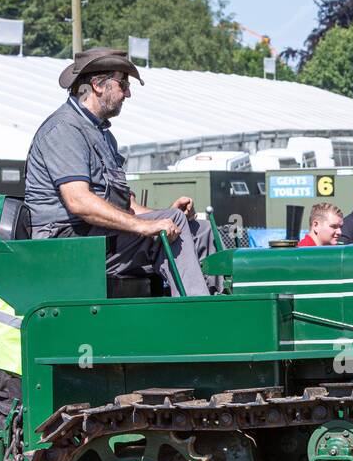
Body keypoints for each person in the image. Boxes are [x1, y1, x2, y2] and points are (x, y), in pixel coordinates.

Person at [24, 46, 212, 299]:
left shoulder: (102, 135)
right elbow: (78, 201)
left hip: (96, 240)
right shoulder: (64, 129)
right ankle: (200, 317)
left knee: (198, 228)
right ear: (98, 85)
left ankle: (218, 300)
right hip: (65, 245)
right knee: (176, 224)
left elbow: (126, 206)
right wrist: (144, 226)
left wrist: (165, 216)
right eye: (123, 84)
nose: (128, 93)